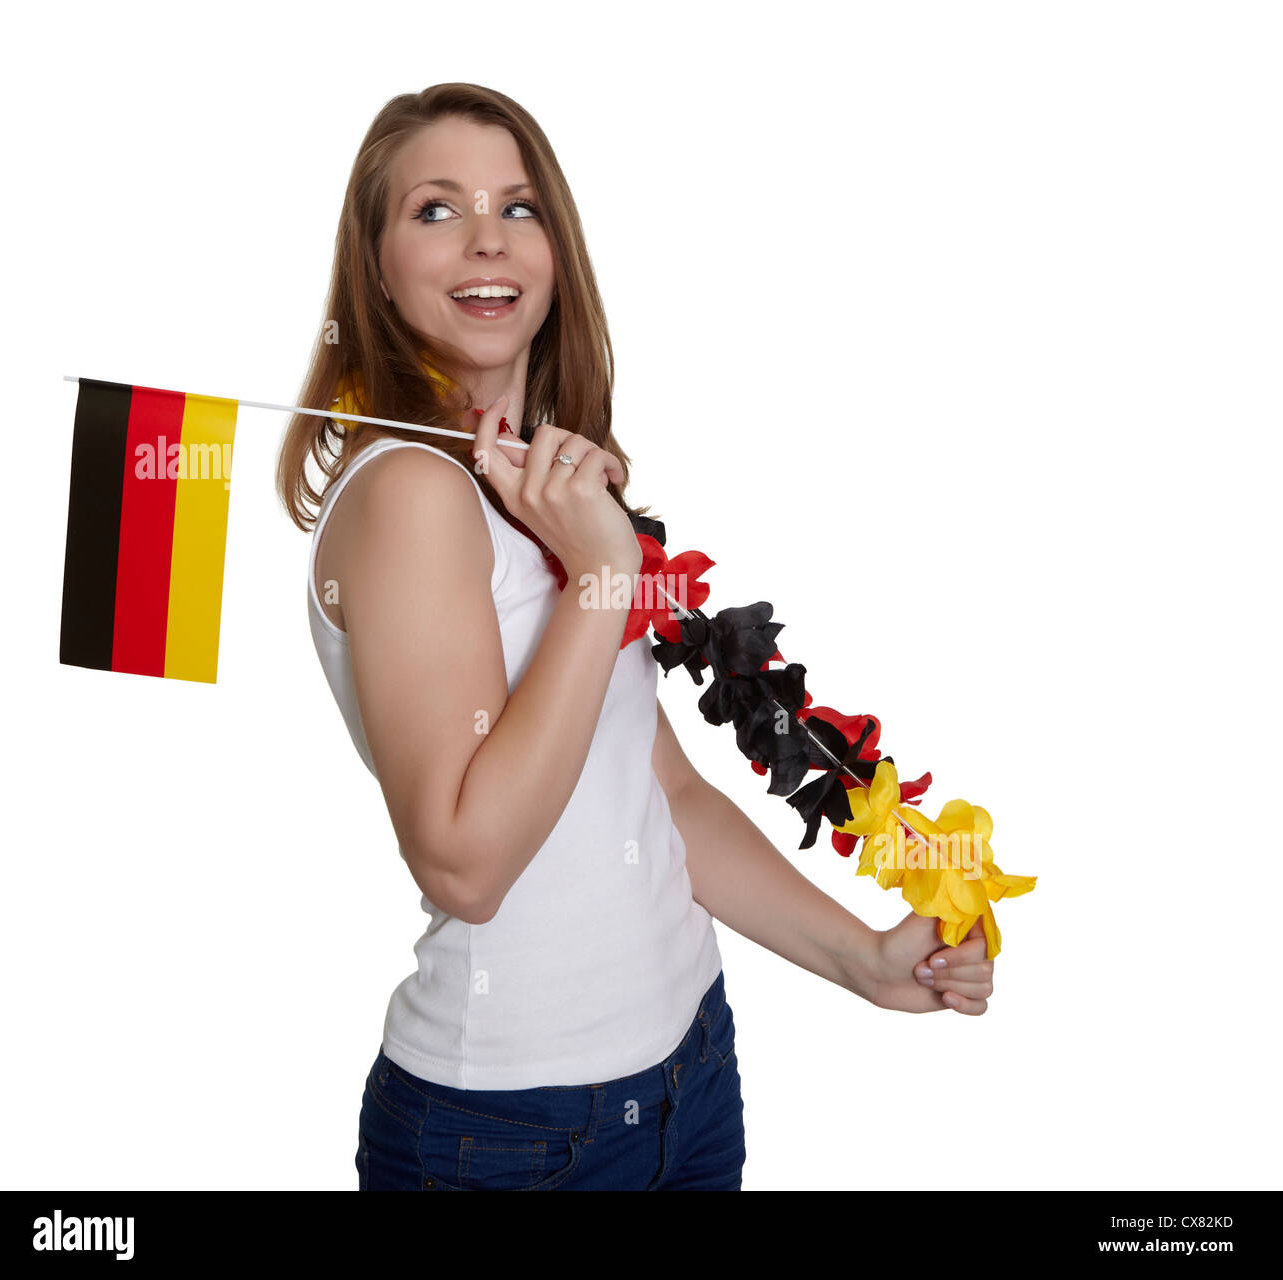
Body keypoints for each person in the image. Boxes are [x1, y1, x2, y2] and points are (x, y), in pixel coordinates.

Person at [276, 84, 995, 1192]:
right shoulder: (411, 492)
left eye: (517, 206)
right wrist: (604, 574)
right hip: (509, 1135)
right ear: (374, 266)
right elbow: (463, 859)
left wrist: (863, 958)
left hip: (689, 1074)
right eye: (433, 208)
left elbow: (663, 793)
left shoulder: (549, 483)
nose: (484, 236)